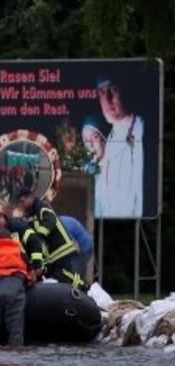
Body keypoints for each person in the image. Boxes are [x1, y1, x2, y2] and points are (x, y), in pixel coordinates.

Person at [96, 76, 144, 218]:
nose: (108, 100)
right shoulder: (110, 139)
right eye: (102, 93)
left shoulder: (141, 130)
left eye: (114, 90)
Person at [17, 188, 83, 289]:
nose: (21, 205)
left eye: (22, 201)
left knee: (66, 275)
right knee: (60, 277)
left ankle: (86, 287)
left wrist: (38, 237)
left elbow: (50, 220)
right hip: (53, 254)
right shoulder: (31, 213)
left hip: (62, 248)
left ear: (30, 197)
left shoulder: (41, 206)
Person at [81, 119, 109, 217]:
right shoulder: (85, 169)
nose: (91, 146)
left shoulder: (115, 166)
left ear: (104, 139)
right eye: (86, 140)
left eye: (95, 137)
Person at [60, 215, 95, 282]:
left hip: (84, 249)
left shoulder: (63, 228)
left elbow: (76, 248)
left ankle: (76, 289)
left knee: (74, 273)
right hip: (86, 244)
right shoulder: (61, 220)